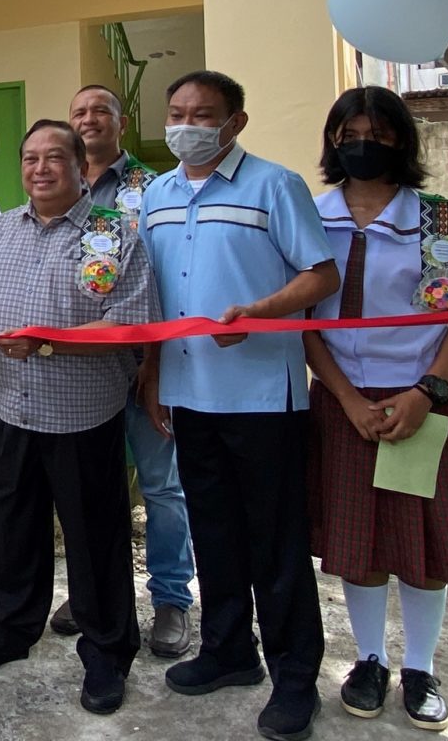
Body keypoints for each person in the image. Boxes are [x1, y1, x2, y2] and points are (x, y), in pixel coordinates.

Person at [138, 70, 339, 741]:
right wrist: (150, 376)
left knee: (275, 543)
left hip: (262, 397)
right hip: (187, 394)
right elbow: (150, 296)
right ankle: (228, 651)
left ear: (235, 124)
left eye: (203, 114)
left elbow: (321, 273)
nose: (186, 125)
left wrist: (260, 310)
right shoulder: (156, 196)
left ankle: (294, 677)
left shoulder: (275, 186)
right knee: (214, 531)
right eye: (176, 112)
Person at [0, 120, 156, 715]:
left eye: (53, 158)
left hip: (82, 413)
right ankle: (10, 628)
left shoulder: (115, 235)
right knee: (11, 527)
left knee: (95, 538)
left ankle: (108, 651)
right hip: (10, 407)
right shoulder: (0, 230)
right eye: (30, 158)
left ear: (79, 165)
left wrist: (47, 343)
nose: (40, 169)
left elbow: (130, 323)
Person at [305, 87, 448, 733]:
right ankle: (368, 660)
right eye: (350, 132)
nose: (364, 143)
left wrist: (426, 393)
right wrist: (347, 398)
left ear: (403, 141)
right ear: (333, 142)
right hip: (342, 404)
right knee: (359, 542)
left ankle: (420, 667)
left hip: (422, 403)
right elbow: (305, 326)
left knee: (421, 540)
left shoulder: (442, 222)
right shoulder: (310, 217)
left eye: (380, 133)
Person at [48, 84, 196, 658]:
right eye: (78, 110)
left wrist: (153, 363)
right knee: (91, 489)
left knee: (161, 487)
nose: (89, 120)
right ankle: (95, 593)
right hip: (82, 374)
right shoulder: (59, 189)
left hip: (142, 367)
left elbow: (161, 282)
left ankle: (170, 600)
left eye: (100, 111)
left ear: (122, 122)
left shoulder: (153, 192)